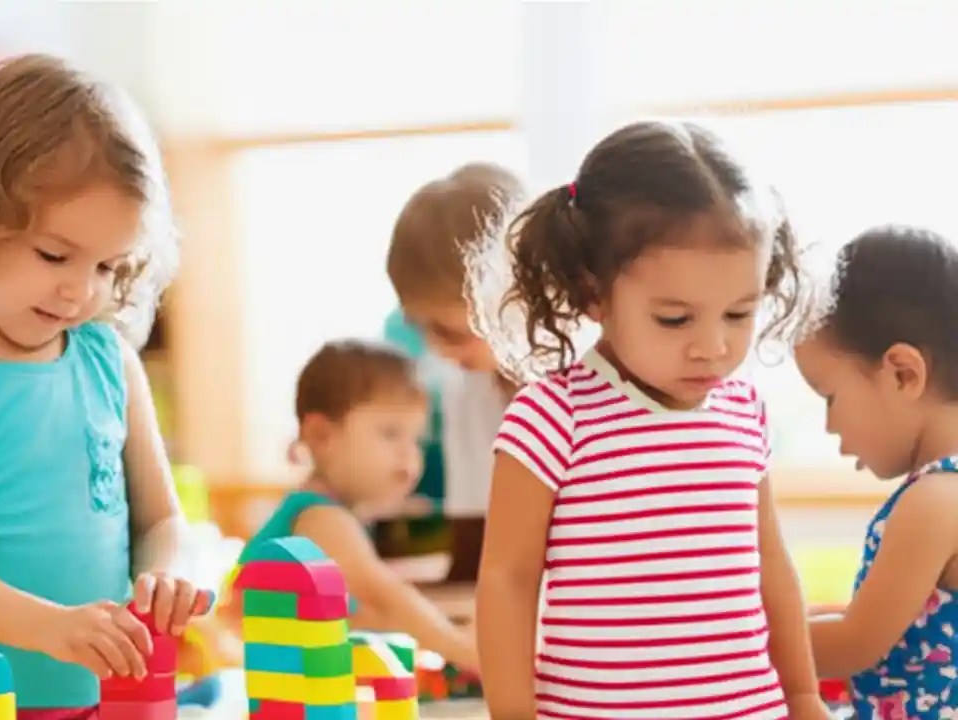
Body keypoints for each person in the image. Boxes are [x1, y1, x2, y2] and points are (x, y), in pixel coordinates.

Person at [0, 55, 204, 719]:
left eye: (109, 265)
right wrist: (55, 629)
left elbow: (162, 519)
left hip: (117, 699)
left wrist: (168, 571)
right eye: (55, 255)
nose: (81, 290)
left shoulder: (108, 359)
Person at [474, 120, 825, 719]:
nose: (712, 346)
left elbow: (771, 567)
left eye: (739, 313)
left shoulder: (743, 411)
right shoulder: (552, 418)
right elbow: (507, 581)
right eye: (674, 319)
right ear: (593, 292)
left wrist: (803, 695)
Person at [795, 227, 958, 718]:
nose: (829, 425)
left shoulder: (936, 500)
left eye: (830, 397)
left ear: (902, 374)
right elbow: (889, 621)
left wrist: (734, 640)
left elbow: (856, 643)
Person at [240, 339, 480, 673]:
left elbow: (373, 615)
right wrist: (470, 652)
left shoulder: (328, 516)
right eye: (390, 433)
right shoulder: (319, 518)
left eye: (415, 439)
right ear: (321, 435)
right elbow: (386, 600)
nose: (409, 454)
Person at [383, 163, 527, 580]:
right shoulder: (469, 390)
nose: (436, 350)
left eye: (450, 331)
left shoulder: (587, 383)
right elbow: (473, 546)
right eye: (422, 328)